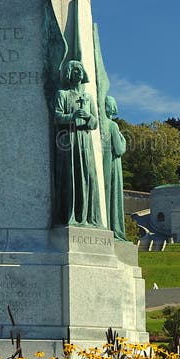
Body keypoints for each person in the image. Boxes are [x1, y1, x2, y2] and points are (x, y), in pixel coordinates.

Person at [53, 60, 102, 227]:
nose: (79, 73)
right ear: (69, 74)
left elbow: (95, 123)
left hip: (85, 140)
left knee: (88, 176)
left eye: (81, 70)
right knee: (71, 176)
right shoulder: (63, 94)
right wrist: (72, 117)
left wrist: (88, 117)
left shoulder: (88, 98)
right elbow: (57, 116)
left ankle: (88, 217)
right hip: (69, 139)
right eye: (75, 70)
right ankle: (69, 215)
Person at [102, 96, 127, 240]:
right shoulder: (112, 125)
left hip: (103, 164)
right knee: (114, 196)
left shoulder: (100, 124)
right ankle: (115, 229)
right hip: (113, 164)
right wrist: (123, 139)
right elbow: (118, 149)